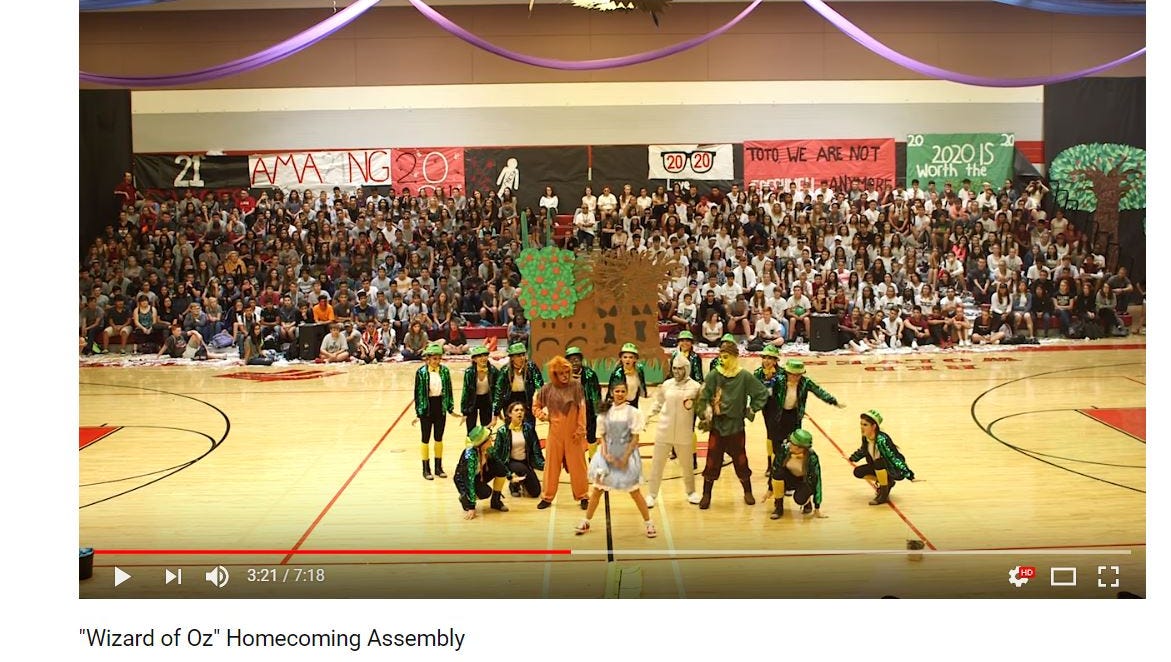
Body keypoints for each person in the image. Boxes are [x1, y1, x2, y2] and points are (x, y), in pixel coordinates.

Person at [693, 334, 770, 509]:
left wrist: (751, 410)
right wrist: (704, 414)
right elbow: (703, 396)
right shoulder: (714, 375)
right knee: (712, 461)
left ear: (735, 357)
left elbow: (761, 393)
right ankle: (706, 494)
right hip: (718, 426)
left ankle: (747, 491)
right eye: (720, 356)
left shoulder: (744, 377)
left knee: (741, 460)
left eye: (726, 356)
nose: (722, 359)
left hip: (736, 426)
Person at [576, 382, 656, 538]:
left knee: (635, 492)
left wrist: (625, 457)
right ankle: (586, 521)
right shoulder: (604, 412)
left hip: (626, 454)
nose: (620, 393)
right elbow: (603, 437)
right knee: (597, 490)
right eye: (617, 391)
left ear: (627, 393)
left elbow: (635, 438)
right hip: (607, 456)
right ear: (611, 392)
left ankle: (649, 523)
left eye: (623, 391)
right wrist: (605, 455)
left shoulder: (634, 412)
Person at [533, 355, 589, 511]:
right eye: (561, 373)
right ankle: (547, 497)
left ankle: (583, 495)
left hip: (574, 435)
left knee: (578, 467)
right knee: (551, 466)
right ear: (554, 374)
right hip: (555, 435)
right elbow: (535, 406)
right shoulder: (547, 389)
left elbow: (582, 409)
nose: (565, 376)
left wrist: (581, 428)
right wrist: (543, 416)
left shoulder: (576, 387)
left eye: (567, 372)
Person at [647, 354, 703, 507]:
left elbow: (702, 407)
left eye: (680, 369)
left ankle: (691, 492)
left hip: (684, 432)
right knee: (657, 465)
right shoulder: (666, 385)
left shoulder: (696, 387)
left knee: (687, 465)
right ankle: (651, 494)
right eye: (674, 369)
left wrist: (708, 417)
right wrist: (648, 415)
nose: (677, 372)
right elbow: (658, 403)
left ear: (687, 369)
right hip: (664, 430)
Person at [850, 409, 916, 505]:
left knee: (879, 462)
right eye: (861, 424)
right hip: (878, 468)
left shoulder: (882, 439)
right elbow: (863, 450)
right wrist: (852, 458)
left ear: (874, 426)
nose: (861, 427)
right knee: (858, 472)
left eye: (865, 425)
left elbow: (894, 457)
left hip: (889, 468)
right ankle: (888, 482)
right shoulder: (866, 437)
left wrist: (909, 475)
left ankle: (883, 495)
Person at [413, 343, 456, 480]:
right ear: (428, 359)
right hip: (427, 407)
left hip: (440, 406)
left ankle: (438, 467)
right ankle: (426, 468)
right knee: (425, 438)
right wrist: (419, 411)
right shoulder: (421, 372)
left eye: (439, 359)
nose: (437, 361)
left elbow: (448, 390)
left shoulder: (444, 371)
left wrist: (450, 407)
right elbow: (418, 393)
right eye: (434, 359)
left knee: (439, 437)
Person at [769, 429, 827, 520]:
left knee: (800, 499)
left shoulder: (812, 457)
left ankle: (807, 502)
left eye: (792, 443)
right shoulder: (784, 449)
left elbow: (817, 481)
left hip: (803, 481)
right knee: (778, 474)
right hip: (788, 478)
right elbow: (775, 467)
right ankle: (779, 507)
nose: (789, 444)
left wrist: (817, 507)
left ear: (801, 448)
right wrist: (770, 488)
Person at [454, 426, 510, 519]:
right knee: (486, 492)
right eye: (489, 438)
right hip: (464, 480)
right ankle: (465, 498)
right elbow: (469, 481)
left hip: (479, 474)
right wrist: (472, 507)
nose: (491, 439)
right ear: (482, 443)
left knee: (499, 468)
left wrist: (510, 476)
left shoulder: (488, 449)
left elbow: (498, 460)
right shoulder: (470, 456)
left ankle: (496, 501)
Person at [493, 400, 545, 499]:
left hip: (526, 462)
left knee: (535, 492)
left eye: (522, 410)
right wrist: (506, 472)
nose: (519, 412)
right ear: (509, 414)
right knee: (520, 468)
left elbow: (536, 449)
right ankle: (514, 484)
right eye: (516, 410)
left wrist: (543, 464)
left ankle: (522, 481)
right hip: (511, 462)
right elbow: (497, 454)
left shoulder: (529, 429)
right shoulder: (502, 431)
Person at [494, 343, 544, 426]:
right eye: (518, 355)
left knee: (529, 426)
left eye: (523, 355)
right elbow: (499, 392)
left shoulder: (531, 367)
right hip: (510, 399)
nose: (522, 358)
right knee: (511, 427)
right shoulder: (505, 371)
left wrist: (540, 404)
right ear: (512, 357)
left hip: (526, 398)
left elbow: (539, 385)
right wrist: (496, 412)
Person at [566, 346, 602, 452]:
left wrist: (596, 411)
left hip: (588, 409)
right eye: (571, 360)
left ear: (581, 360)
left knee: (591, 435)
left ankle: (593, 460)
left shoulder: (590, 374)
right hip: (570, 411)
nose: (574, 363)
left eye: (577, 360)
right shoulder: (563, 375)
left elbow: (596, 394)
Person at [461, 345, 499, 435]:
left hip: (487, 400)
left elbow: (498, 391)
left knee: (486, 429)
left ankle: (486, 448)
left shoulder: (493, 371)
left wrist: (497, 408)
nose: (483, 358)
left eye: (485, 355)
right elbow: (465, 392)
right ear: (474, 359)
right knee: (471, 430)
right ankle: (471, 448)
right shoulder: (469, 372)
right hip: (472, 401)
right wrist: (464, 411)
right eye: (480, 356)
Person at [606, 342, 648, 409]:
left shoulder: (639, 371)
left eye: (631, 357)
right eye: (625, 357)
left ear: (635, 359)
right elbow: (612, 391)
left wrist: (644, 394)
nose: (627, 360)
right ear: (621, 359)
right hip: (620, 403)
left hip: (633, 401)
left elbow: (641, 385)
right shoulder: (617, 373)